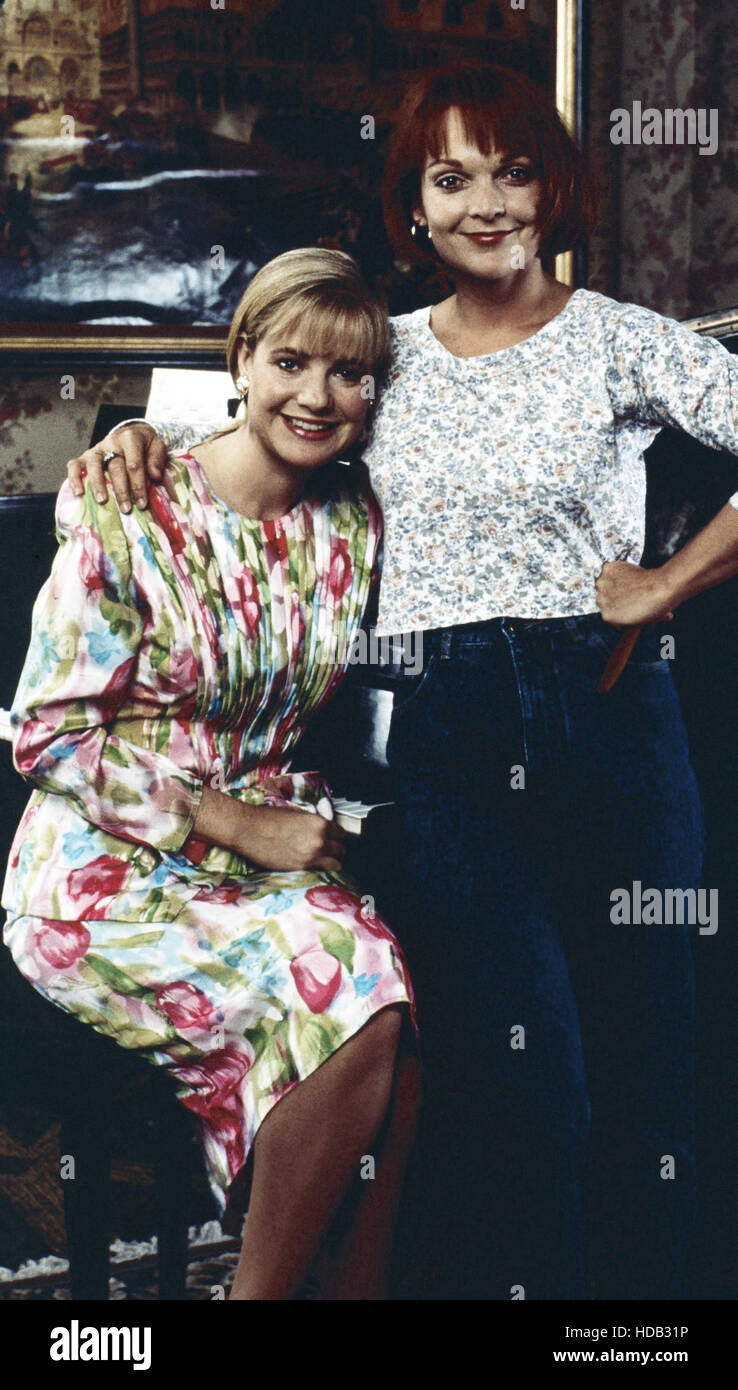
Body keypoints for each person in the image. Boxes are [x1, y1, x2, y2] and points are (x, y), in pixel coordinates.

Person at [68, 63, 738, 1301]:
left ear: (557, 189)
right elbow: (263, 416)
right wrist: (131, 437)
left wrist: (664, 585)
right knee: (514, 1080)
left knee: (654, 1085)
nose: (487, 201)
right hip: (442, 749)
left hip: (611, 731)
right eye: (451, 176)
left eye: (515, 169)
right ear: (413, 208)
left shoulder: (622, 340)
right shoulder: (386, 356)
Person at [3, 247, 421, 1302]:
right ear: (242, 357)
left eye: (348, 376)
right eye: (290, 361)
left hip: (268, 854)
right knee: (359, 985)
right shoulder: (130, 503)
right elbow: (47, 737)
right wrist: (227, 821)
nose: (317, 396)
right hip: (101, 868)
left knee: (399, 1033)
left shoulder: (354, 515)